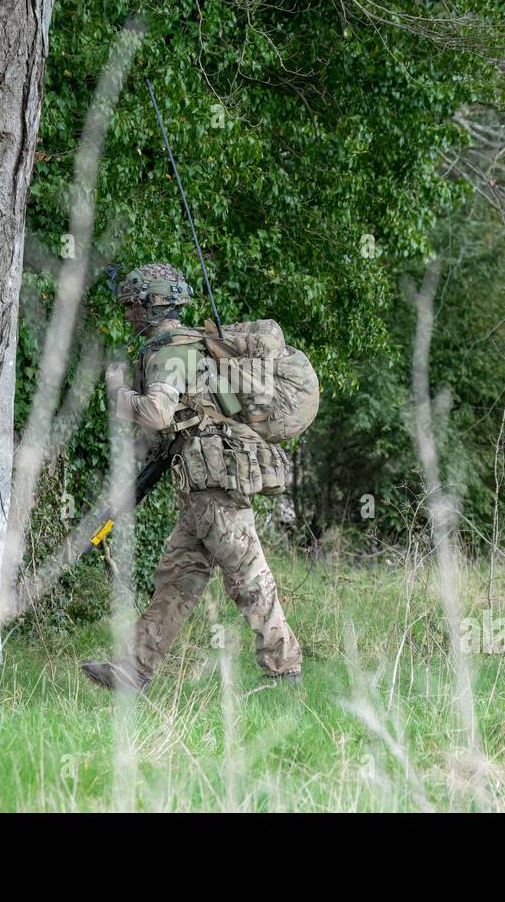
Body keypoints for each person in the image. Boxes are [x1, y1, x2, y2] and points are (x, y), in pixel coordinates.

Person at [80, 263, 302, 692]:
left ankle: (285, 670)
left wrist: (117, 392)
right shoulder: (188, 346)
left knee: (248, 577)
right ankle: (134, 670)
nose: (128, 316)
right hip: (204, 483)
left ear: (153, 305)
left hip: (215, 483)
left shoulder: (170, 351)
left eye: (133, 307)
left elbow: (158, 413)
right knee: (178, 578)